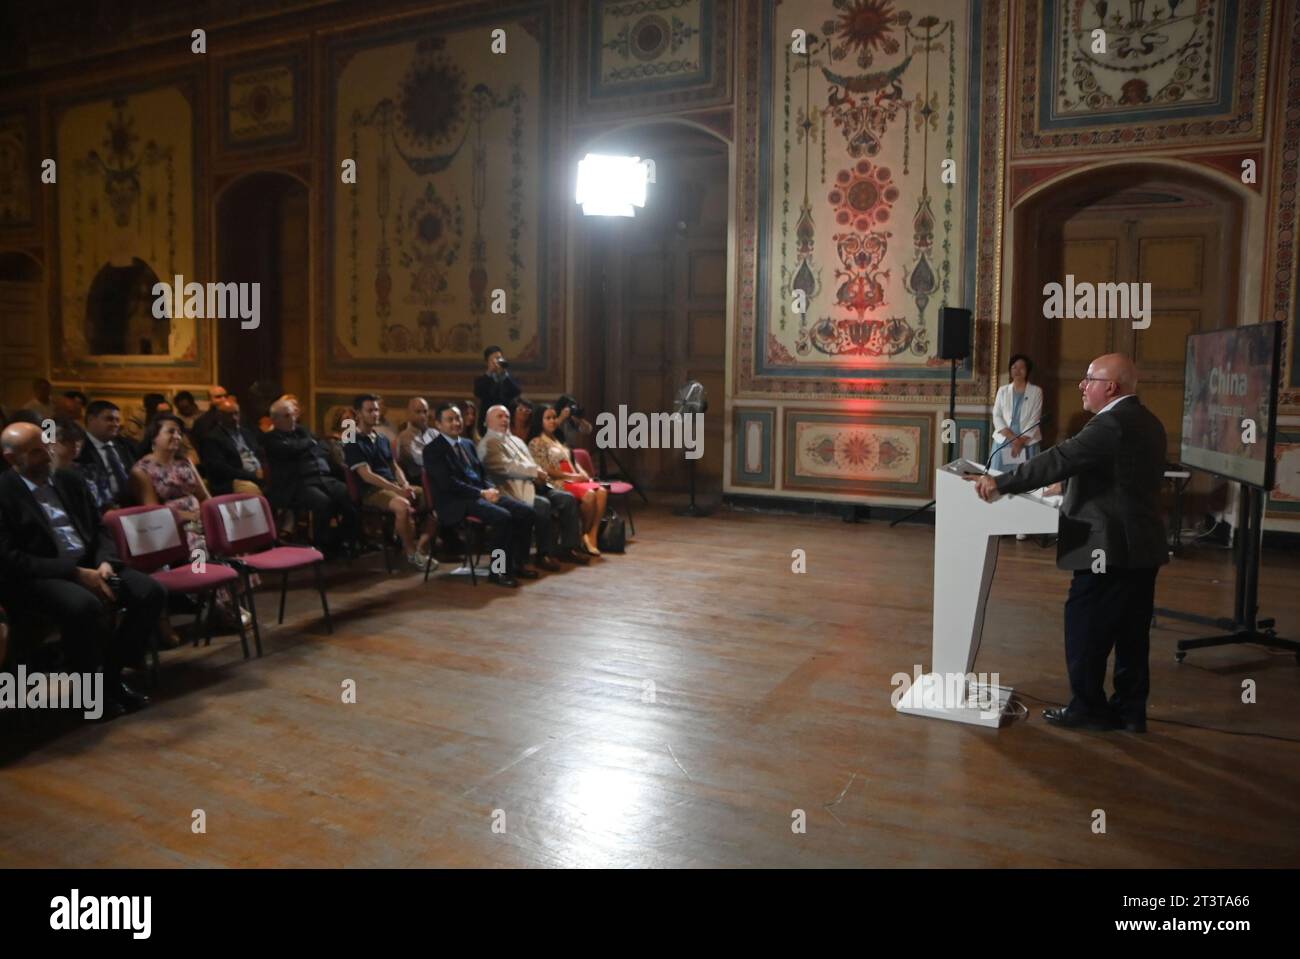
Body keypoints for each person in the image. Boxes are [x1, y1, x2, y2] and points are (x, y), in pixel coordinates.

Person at [970, 353, 1167, 734]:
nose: (1082, 384)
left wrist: (1002, 482)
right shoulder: (1148, 421)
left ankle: (1088, 709)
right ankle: (1129, 711)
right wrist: (1072, 483)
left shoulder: (1110, 423)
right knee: (1131, 636)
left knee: (1086, 629)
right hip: (1142, 547)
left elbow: (1063, 457)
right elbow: (1121, 477)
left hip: (1106, 548)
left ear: (1110, 387)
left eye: (1089, 378)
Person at [0, 421, 164, 719]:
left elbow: (100, 529)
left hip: (92, 564)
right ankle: (89, 695)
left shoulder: (68, 480)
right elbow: (10, 558)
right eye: (36, 452)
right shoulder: (4, 493)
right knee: (84, 607)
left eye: (47, 447)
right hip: (41, 576)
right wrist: (75, 573)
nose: (47, 456)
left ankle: (111, 677)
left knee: (150, 592)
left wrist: (104, 562)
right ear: (12, 458)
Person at [129, 413, 248, 629]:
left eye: (179, 432)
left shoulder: (185, 462)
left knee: (229, 542)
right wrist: (188, 517)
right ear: (154, 436)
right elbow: (153, 511)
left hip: (198, 518)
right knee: (200, 546)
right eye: (170, 431)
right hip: (171, 527)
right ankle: (221, 606)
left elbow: (204, 497)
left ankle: (227, 601)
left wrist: (209, 517)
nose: (177, 436)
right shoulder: (142, 469)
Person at [423, 402, 536, 587]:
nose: (456, 423)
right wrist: (482, 493)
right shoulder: (433, 450)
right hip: (455, 501)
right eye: (449, 420)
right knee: (503, 517)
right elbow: (448, 484)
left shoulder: (467, 444)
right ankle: (498, 572)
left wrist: (491, 490)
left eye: (458, 418)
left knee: (526, 512)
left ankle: (517, 563)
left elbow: (482, 473)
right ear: (438, 424)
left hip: (479, 495)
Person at [478, 404, 587, 569]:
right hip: (510, 490)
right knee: (542, 505)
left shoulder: (516, 440)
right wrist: (535, 472)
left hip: (533, 485)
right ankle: (543, 554)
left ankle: (569, 547)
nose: (505, 419)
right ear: (487, 421)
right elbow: (506, 467)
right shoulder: (488, 443)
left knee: (567, 499)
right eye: (499, 416)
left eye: (507, 416)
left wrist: (539, 472)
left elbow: (531, 462)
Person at [344, 394, 433, 569]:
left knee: (434, 497)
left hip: (393, 486)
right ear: (358, 414)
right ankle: (411, 554)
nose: (375, 414)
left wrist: (405, 484)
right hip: (372, 491)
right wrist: (397, 489)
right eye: (370, 410)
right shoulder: (352, 439)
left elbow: (394, 466)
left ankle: (421, 545)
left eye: (376, 410)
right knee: (403, 505)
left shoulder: (382, 438)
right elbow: (366, 475)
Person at [261, 398, 358, 557]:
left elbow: (319, 446)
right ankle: (321, 547)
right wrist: (308, 444)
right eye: (286, 416)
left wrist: (306, 445)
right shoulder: (270, 438)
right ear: (275, 420)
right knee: (323, 503)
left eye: (292, 415)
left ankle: (342, 541)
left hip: (324, 477)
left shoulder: (302, 431)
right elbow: (292, 449)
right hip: (297, 482)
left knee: (350, 497)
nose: (292, 419)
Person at [528, 403, 608, 556]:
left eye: (553, 417)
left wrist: (583, 473)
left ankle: (591, 535)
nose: (552, 421)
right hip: (558, 482)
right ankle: (581, 535)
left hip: (573, 478)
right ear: (540, 421)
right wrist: (572, 476)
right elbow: (545, 469)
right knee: (590, 495)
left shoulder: (558, 440)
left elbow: (573, 460)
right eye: (548, 418)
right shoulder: (536, 442)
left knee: (602, 492)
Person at [76, 400, 137, 511]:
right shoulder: (79, 448)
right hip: (99, 510)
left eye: (117, 420)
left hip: (133, 507)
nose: (115, 424)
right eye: (109, 419)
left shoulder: (127, 445)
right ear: (90, 419)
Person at [199, 396, 265, 495]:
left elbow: (259, 452)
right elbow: (221, 469)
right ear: (220, 416)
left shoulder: (247, 432)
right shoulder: (212, 438)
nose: (234, 418)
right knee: (251, 490)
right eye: (229, 415)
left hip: (258, 473)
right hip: (234, 479)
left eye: (236, 414)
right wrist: (252, 475)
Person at [473, 346, 521, 437]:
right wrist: (490, 372)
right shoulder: (481, 380)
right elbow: (478, 392)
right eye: (493, 359)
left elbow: (517, 391)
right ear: (487, 362)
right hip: (487, 422)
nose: (497, 361)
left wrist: (504, 374)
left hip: (506, 420)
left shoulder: (508, 378)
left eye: (499, 358)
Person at [395, 397, 439, 485]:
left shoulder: (434, 433)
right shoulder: (404, 437)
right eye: (418, 412)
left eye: (425, 411)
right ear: (409, 414)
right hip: (420, 479)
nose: (422, 415)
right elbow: (419, 460)